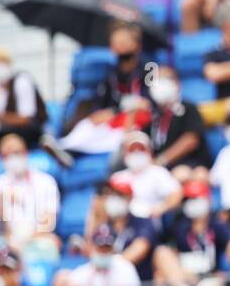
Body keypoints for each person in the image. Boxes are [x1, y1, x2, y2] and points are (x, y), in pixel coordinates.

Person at [60, 22, 156, 153]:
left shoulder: (149, 67)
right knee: (89, 123)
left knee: (117, 135)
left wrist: (120, 110)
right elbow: (105, 101)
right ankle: (64, 147)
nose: (120, 46)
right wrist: (105, 113)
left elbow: (148, 101)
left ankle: (79, 150)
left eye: (124, 42)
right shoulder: (111, 72)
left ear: (137, 45)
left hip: (139, 120)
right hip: (117, 117)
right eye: (116, 43)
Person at [0, 134, 60, 259]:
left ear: (26, 153)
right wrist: (1, 201)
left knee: (50, 243)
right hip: (6, 239)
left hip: (36, 238)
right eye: (7, 155)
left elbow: (48, 223)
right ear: (1, 158)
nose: (13, 158)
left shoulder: (46, 182)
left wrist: (24, 241)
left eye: (17, 153)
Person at [0, 45, 47, 158]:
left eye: (1, 63)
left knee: (24, 135)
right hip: (3, 131)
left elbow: (26, 119)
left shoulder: (22, 81)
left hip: (25, 131)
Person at [85, 177, 159, 284]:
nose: (114, 199)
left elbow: (139, 249)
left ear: (130, 198)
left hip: (139, 279)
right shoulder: (104, 225)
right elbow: (91, 249)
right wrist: (95, 215)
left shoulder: (142, 223)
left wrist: (111, 264)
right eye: (111, 195)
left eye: (119, 195)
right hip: (106, 279)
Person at [147, 66, 210, 182]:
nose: (161, 84)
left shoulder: (188, 108)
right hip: (159, 169)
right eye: (157, 80)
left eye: (166, 79)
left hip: (188, 164)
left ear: (177, 84)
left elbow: (191, 140)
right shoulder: (152, 114)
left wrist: (161, 160)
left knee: (183, 174)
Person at [111, 131, 182, 222]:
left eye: (141, 149)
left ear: (149, 151)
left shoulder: (158, 173)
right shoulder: (117, 177)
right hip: (122, 221)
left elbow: (176, 194)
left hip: (149, 220)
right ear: (125, 153)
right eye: (132, 149)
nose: (136, 153)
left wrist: (161, 208)